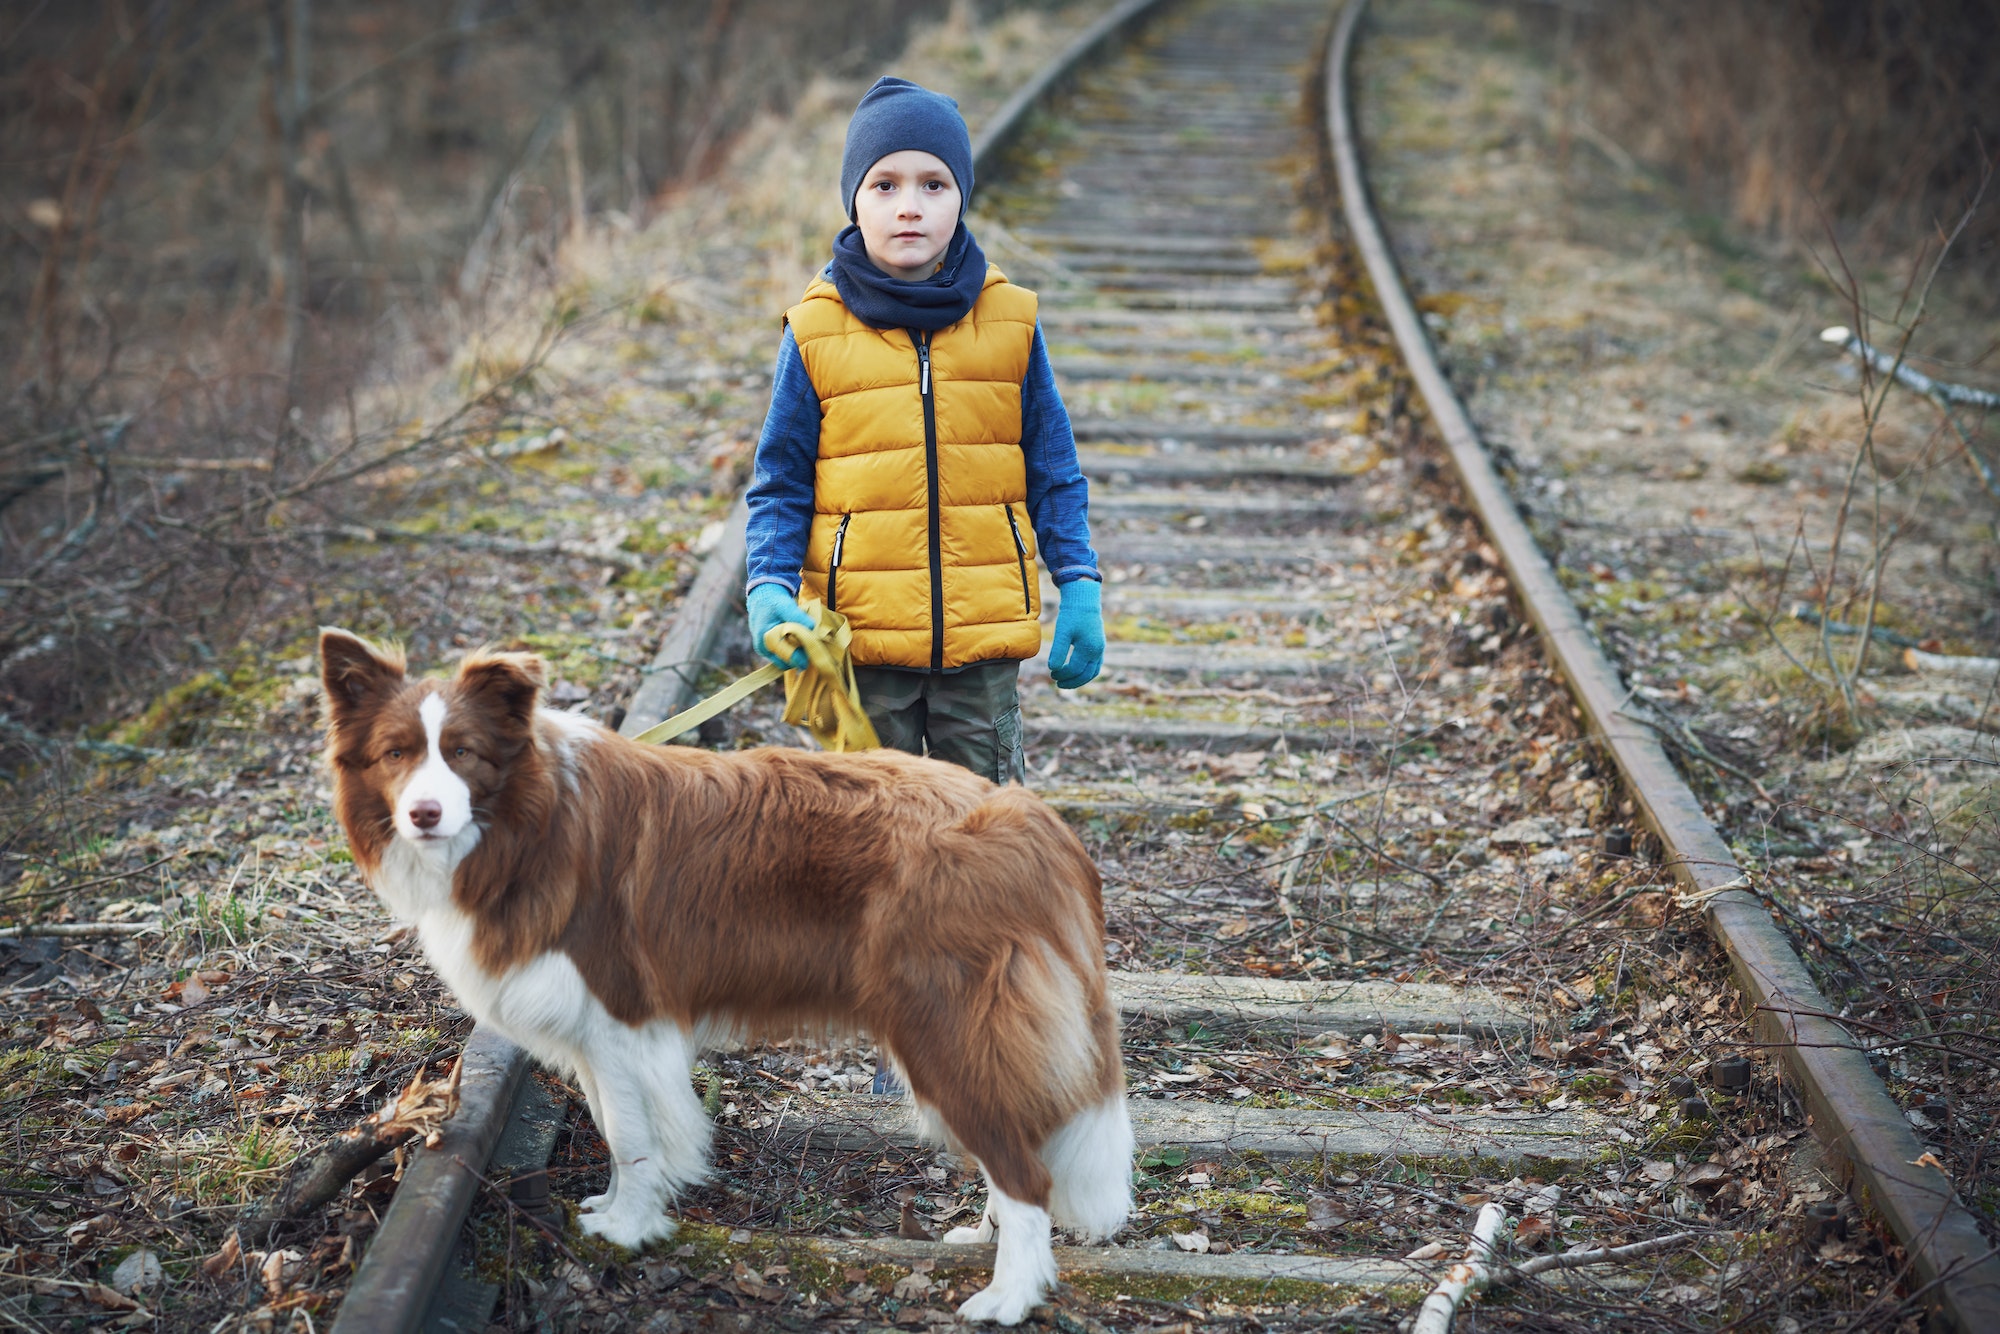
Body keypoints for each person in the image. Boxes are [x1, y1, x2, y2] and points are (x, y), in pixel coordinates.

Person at [743, 75, 1104, 789]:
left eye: (934, 184)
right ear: (854, 198)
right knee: (863, 836)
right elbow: (780, 480)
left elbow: (1052, 467)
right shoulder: (815, 330)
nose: (909, 207)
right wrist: (767, 583)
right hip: (862, 646)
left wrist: (1080, 581)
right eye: (885, 185)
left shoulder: (1011, 322)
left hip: (982, 643)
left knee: (991, 829)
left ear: (962, 195)